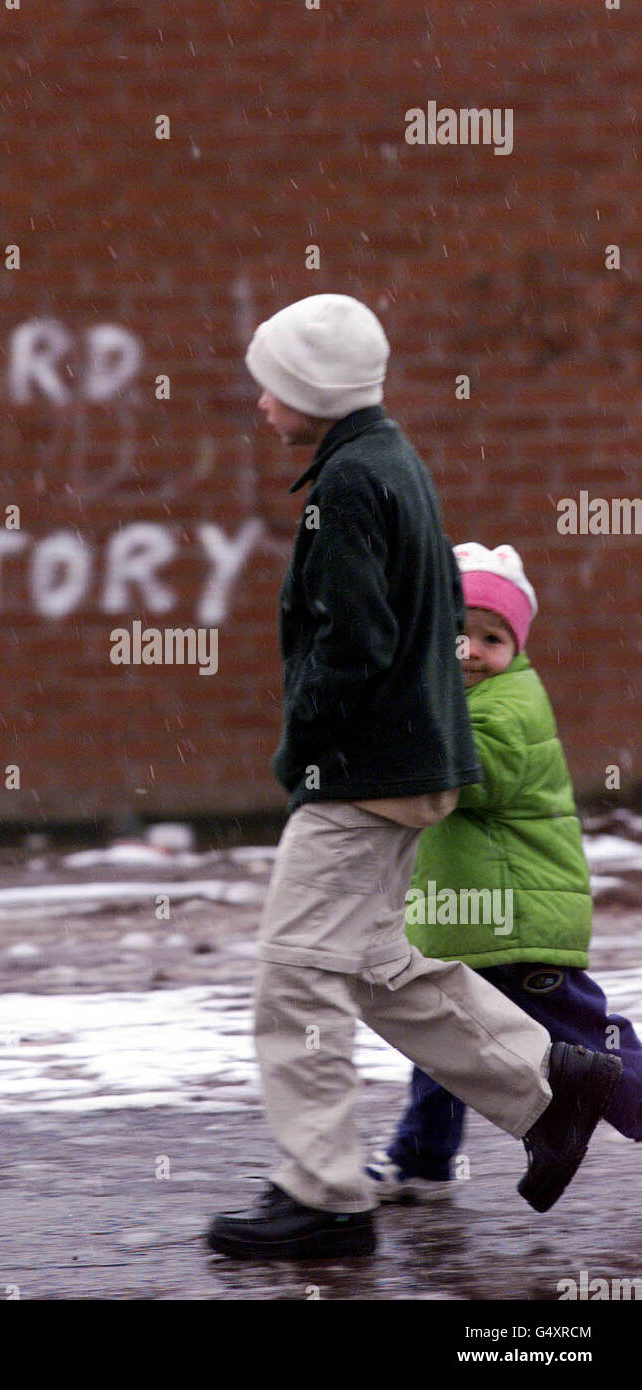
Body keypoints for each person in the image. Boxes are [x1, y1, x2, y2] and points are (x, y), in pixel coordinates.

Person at [205, 294, 622, 1261]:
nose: (262, 404)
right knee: (381, 965)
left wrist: (307, 731)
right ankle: (552, 1092)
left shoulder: (348, 486)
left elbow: (356, 640)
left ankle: (324, 1198)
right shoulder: (393, 463)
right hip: (411, 765)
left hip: (363, 774)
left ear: (310, 389)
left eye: (273, 385)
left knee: (295, 979)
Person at [366, 542, 642, 1202]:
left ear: (515, 648)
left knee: (587, 1046)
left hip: (517, 921)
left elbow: (472, 778)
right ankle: (425, 1159)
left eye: (490, 638)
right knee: (445, 1041)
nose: (470, 651)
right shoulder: (448, 700)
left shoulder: (507, 706)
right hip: (467, 923)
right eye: (455, 633)